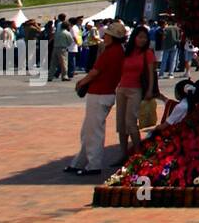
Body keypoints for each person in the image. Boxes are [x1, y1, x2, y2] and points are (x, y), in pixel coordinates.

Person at [67, 21, 128, 176]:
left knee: (93, 131)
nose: (104, 36)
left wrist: (81, 82)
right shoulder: (120, 51)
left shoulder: (110, 52)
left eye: (107, 34)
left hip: (99, 93)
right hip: (105, 93)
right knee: (89, 129)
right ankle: (80, 161)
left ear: (113, 37)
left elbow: (95, 72)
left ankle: (93, 164)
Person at [115, 25, 157, 161]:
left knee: (131, 122)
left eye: (145, 37)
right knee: (121, 124)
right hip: (122, 89)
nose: (142, 40)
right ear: (134, 38)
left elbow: (151, 74)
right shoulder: (127, 52)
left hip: (136, 90)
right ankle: (123, 154)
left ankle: (137, 153)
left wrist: (150, 90)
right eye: (140, 37)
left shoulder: (147, 53)